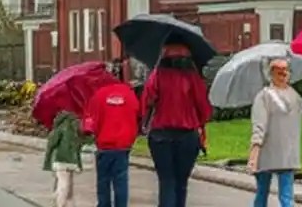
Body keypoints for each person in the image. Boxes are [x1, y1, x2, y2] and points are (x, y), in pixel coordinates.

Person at [142, 40, 212, 207]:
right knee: (181, 183)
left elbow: (147, 101)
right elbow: (205, 110)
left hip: (160, 134)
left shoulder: (157, 74)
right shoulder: (193, 77)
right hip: (187, 136)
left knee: (166, 182)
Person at [248, 58, 302, 207]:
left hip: (280, 153)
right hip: (275, 152)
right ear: (271, 73)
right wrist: (255, 153)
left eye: (285, 70)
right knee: (277, 195)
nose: (283, 73)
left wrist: (254, 155)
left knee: (272, 194)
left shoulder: (292, 98)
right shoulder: (292, 98)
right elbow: (259, 126)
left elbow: (260, 126)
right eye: (280, 70)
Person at [85, 62, 140, 207]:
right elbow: (137, 114)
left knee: (103, 182)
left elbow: (91, 120)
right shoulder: (129, 94)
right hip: (123, 145)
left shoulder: (98, 95)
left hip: (105, 145)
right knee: (121, 181)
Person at [43, 111, 84, 207]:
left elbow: (52, 144)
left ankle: (59, 203)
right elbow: (81, 143)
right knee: (69, 186)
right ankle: (69, 204)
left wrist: (47, 161)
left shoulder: (60, 127)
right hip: (73, 161)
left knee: (62, 184)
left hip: (60, 159)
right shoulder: (78, 126)